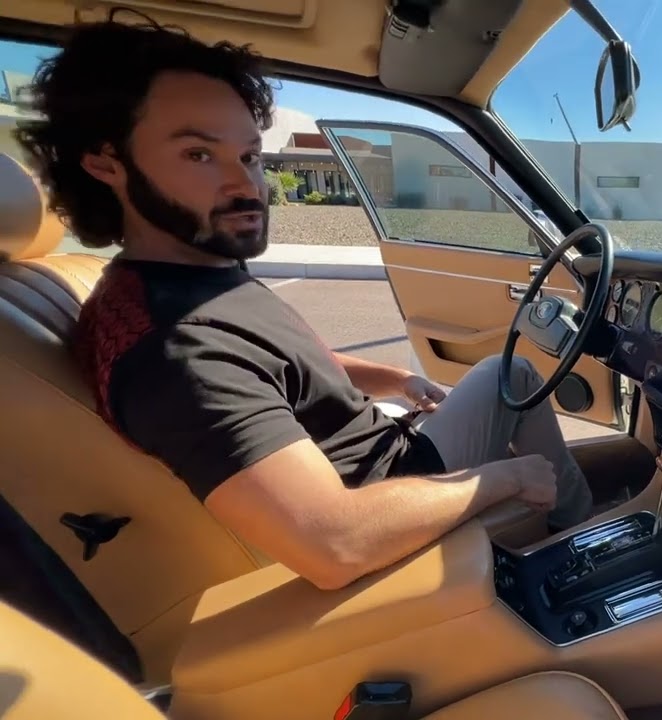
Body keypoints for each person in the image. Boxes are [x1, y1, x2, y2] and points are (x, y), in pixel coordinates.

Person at [14, 20, 594, 590]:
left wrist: (393, 379)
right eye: (198, 155)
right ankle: (580, 536)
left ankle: (572, 521)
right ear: (105, 163)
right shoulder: (175, 351)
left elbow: (276, 369)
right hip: (389, 487)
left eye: (249, 157)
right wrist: (503, 477)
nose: (246, 186)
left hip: (375, 454)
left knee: (504, 375)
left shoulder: (182, 274)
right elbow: (334, 543)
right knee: (512, 377)